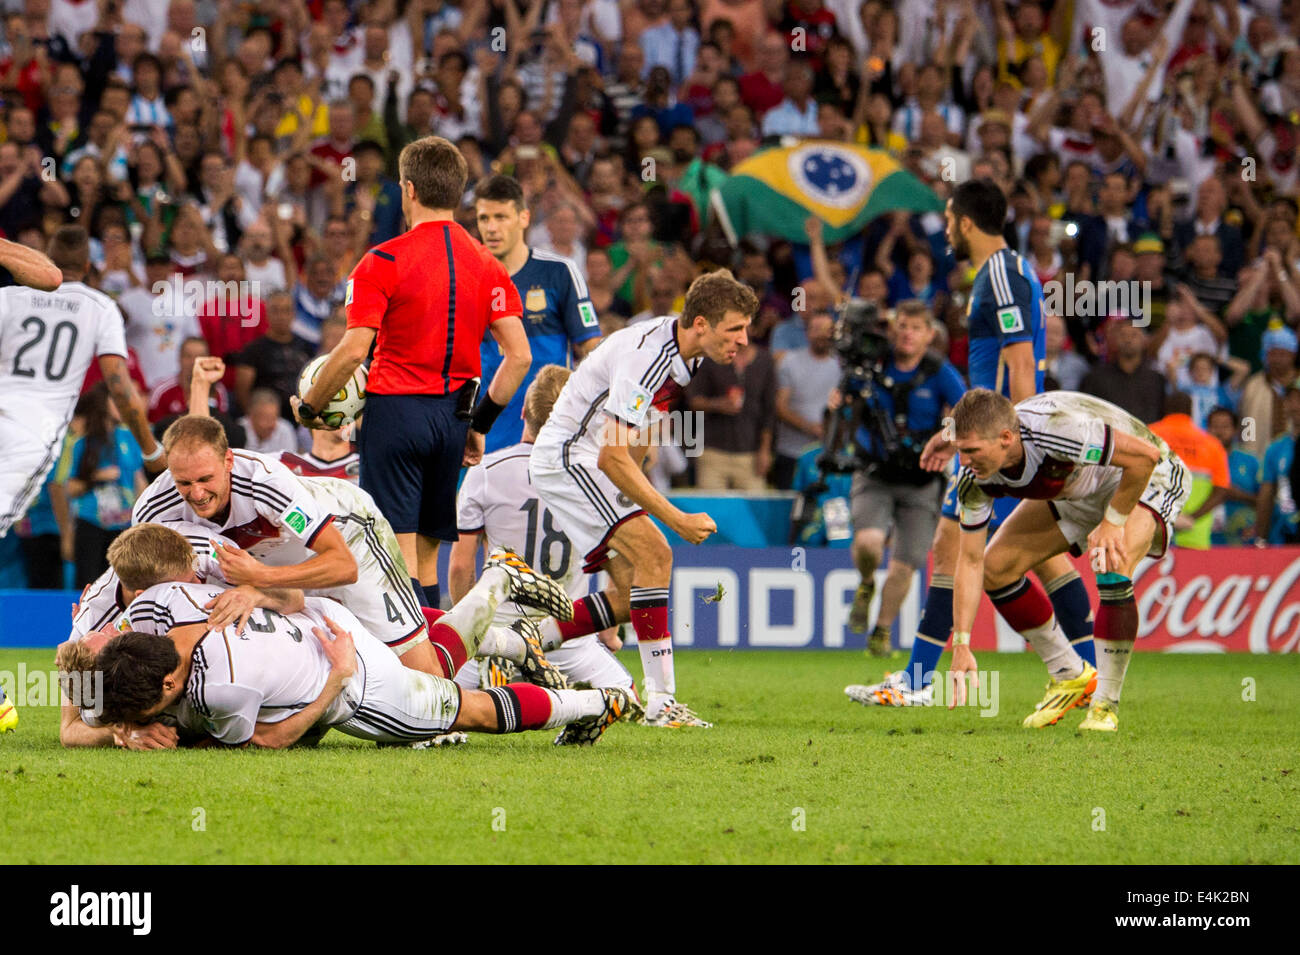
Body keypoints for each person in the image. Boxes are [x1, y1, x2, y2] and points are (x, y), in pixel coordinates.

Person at [850, 179, 1096, 715]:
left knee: (955, 549)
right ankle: (1084, 674)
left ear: (965, 222)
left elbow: (1019, 366)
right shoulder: (1003, 273)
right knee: (1045, 560)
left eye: (947, 218)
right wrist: (953, 432)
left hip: (1004, 447)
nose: (945, 231)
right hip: (999, 439)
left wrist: (1022, 448)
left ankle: (919, 677)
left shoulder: (1003, 274)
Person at [296, 136, 531, 614]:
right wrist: (478, 425)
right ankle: (439, 669)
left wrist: (309, 405)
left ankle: (414, 678)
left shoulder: (381, 261)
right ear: (460, 192)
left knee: (396, 563)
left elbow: (353, 349)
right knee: (426, 562)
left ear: (408, 190)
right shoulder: (489, 267)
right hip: (452, 421)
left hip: (396, 415)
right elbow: (520, 357)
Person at [530, 269, 758, 727]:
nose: (743, 340)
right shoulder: (647, 358)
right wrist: (676, 518)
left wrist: (639, 469)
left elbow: (630, 445)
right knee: (658, 552)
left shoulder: (684, 357)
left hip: (588, 457)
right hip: (570, 457)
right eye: (734, 328)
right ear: (699, 324)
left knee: (632, 591)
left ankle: (521, 644)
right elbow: (612, 458)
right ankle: (661, 701)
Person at [91, 573, 638, 749]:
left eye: (148, 707)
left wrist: (335, 680)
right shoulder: (166, 600)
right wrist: (258, 592)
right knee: (434, 664)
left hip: (357, 681)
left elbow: (269, 741)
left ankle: (599, 701)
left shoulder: (221, 691)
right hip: (330, 619)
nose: (143, 716)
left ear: (170, 679)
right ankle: (496, 590)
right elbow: (296, 598)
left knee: (467, 709)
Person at [939, 388, 1190, 732]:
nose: (963, 462)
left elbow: (1144, 457)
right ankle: (1069, 674)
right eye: (959, 451)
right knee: (996, 567)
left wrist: (1113, 522)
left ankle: (1105, 704)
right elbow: (970, 562)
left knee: (1112, 563)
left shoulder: (1057, 429)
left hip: (1143, 475)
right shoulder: (974, 479)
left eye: (971, 451)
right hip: (1076, 489)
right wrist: (962, 644)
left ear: (1006, 438)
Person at [450, 365, 636, 693]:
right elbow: (618, 558)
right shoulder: (596, 478)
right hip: (569, 642)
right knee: (625, 698)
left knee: (441, 699)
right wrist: (609, 631)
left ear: (523, 411)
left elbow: (461, 565)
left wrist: (471, 633)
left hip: (496, 636)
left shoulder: (486, 472)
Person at [1, 226, 162, 541]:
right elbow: (119, 385)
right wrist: (150, 448)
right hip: (35, 428)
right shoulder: (101, 307)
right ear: (88, 267)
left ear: (46, 258)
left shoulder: (7, 297)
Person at [836, 302, 966, 656]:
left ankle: (881, 631)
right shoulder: (872, 363)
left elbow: (966, 410)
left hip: (922, 477)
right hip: (875, 471)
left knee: (905, 564)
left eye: (916, 327)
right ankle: (865, 583)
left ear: (929, 335)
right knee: (869, 544)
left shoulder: (939, 370)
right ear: (893, 331)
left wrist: (947, 441)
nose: (907, 333)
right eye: (902, 326)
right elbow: (843, 400)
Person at [474, 174, 602, 453]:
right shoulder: (465, 277)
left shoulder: (559, 272)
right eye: (484, 218)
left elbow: (593, 351)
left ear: (524, 217)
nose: (492, 228)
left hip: (547, 441)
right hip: (480, 441)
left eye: (501, 217)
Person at [56, 384, 147, 588]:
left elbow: (139, 480)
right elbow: (69, 488)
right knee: (88, 585)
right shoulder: (82, 444)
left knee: (122, 586)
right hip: (91, 525)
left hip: (124, 527)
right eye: (115, 400)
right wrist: (95, 477)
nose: (121, 405)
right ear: (103, 405)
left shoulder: (129, 437)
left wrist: (142, 524)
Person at [1148, 391, 1230, 550]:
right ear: (1191, 411)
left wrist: (1164, 516)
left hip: (1151, 528)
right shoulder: (1212, 445)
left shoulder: (1148, 435)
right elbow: (1221, 490)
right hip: (1194, 532)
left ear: (1165, 408)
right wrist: (1191, 518)